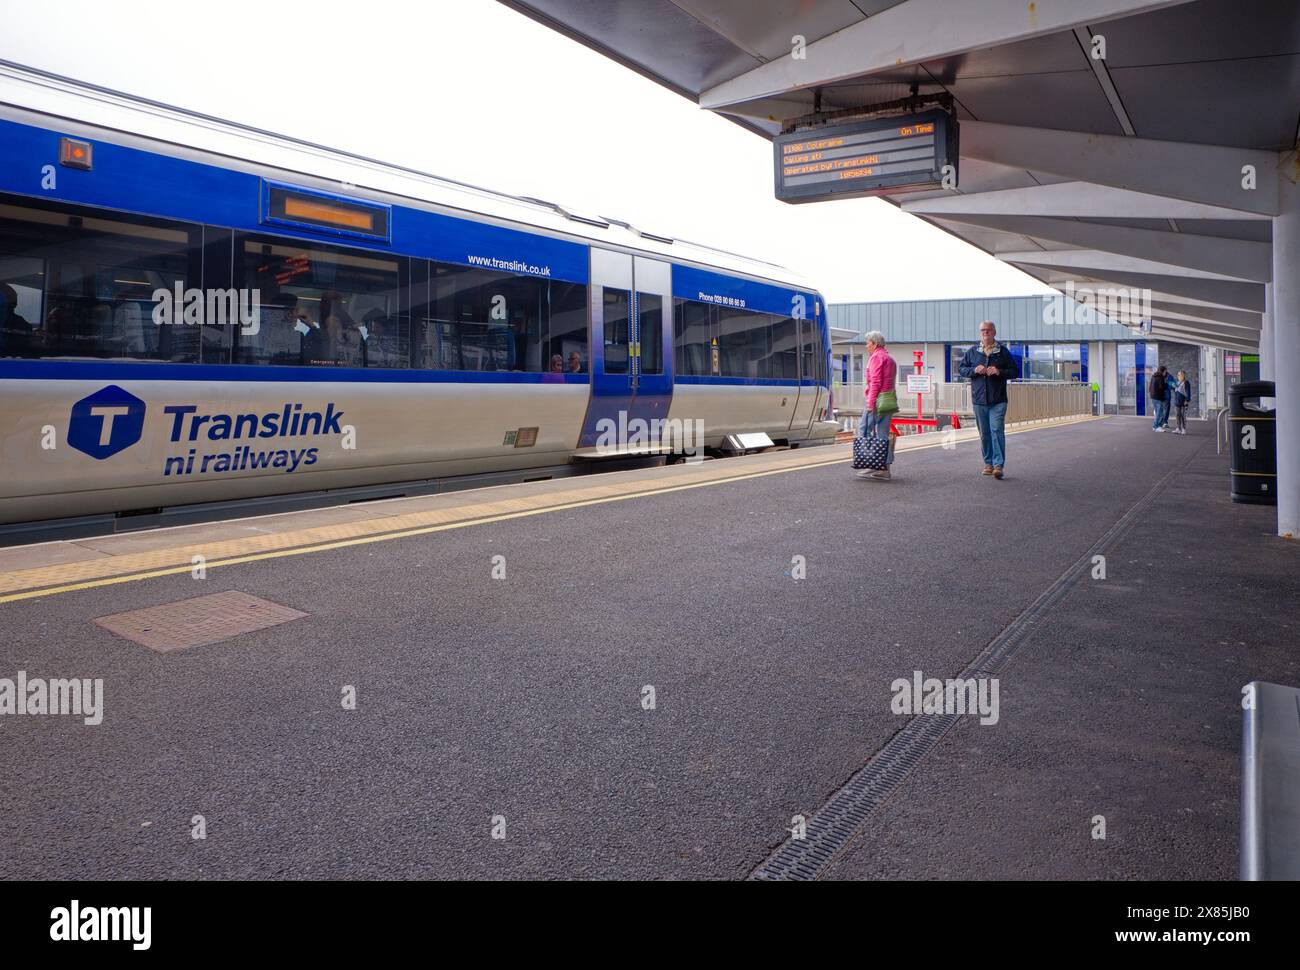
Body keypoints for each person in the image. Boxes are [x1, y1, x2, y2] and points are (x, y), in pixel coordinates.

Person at [958, 320, 1018, 479]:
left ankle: (998, 465)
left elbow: (1014, 371)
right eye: (982, 330)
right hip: (979, 400)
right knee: (984, 433)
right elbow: (961, 369)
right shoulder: (972, 352)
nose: (985, 332)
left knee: (996, 430)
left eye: (988, 330)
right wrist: (973, 370)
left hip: (998, 400)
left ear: (994, 332)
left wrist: (999, 371)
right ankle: (988, 463)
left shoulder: (1003, 352)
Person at [856, 330, 897, 482]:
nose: (866, 346)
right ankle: (885, 469)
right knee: (882, 434)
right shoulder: (889, 358)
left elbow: (875, 383)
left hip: (878, 401)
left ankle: (870, 463)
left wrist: (870, 404)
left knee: (864, 430)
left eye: (867, 343)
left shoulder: (876, 357)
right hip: (889, 400)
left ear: (874, 343)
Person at [1149, 364, 1171, 432]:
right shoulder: (1161, 377)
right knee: (1160, 412)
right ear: (1163, 371)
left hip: (1153, 396)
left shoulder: (1154, 376)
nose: (1165, 373)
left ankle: (1156, 426)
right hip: (1158, 397)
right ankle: (1156, 426)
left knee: (1158, 412)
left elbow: (1150, 386)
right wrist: (1167, 384)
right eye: (1165, 371)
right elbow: (1162, 387)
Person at [1172, 370, 1192, 435]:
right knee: (1177, 415)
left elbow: (1188, 392)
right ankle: (1178, 428)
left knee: (1183, 415)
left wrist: (1187, 400)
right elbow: (1176, 392)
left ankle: (1183, 428)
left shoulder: (1186, 382)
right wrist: (1173, 387)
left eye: (1179, 375)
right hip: (1177, 401)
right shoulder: (1177, 383)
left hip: (1183, 401)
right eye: (1178, 375)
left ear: (1183, 375)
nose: (1178, 376)